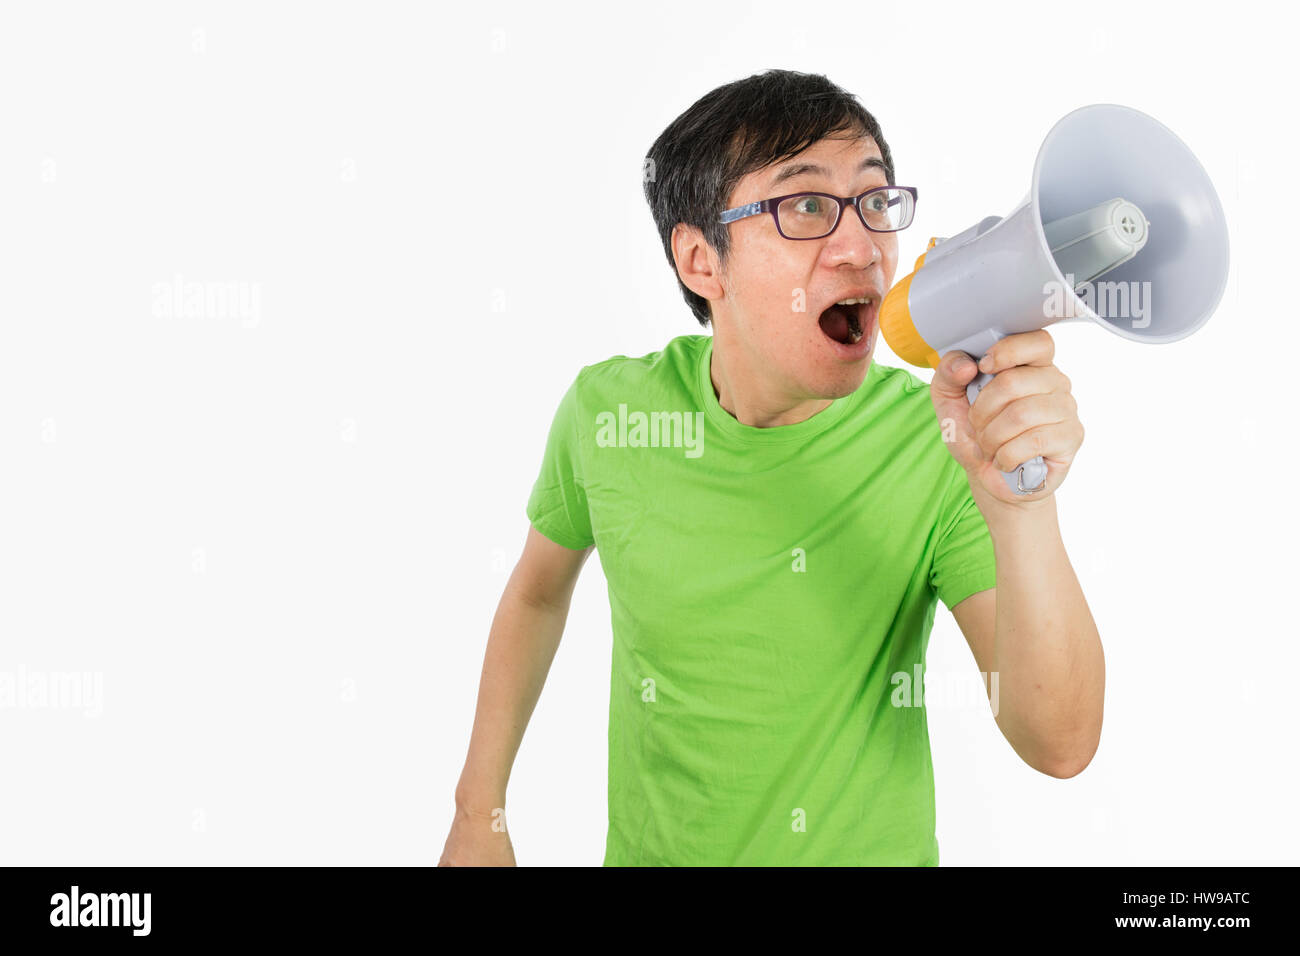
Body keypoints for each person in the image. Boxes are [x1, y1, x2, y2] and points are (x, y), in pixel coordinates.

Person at [440, 69, 1104, 866]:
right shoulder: (609, 415)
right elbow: (537, 594)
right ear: (700, 261)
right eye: (806, 207)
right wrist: (479, 810)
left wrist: (1021, 507)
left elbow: (1060, 743)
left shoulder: (940, 437)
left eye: (873, 201)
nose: (860, 248)